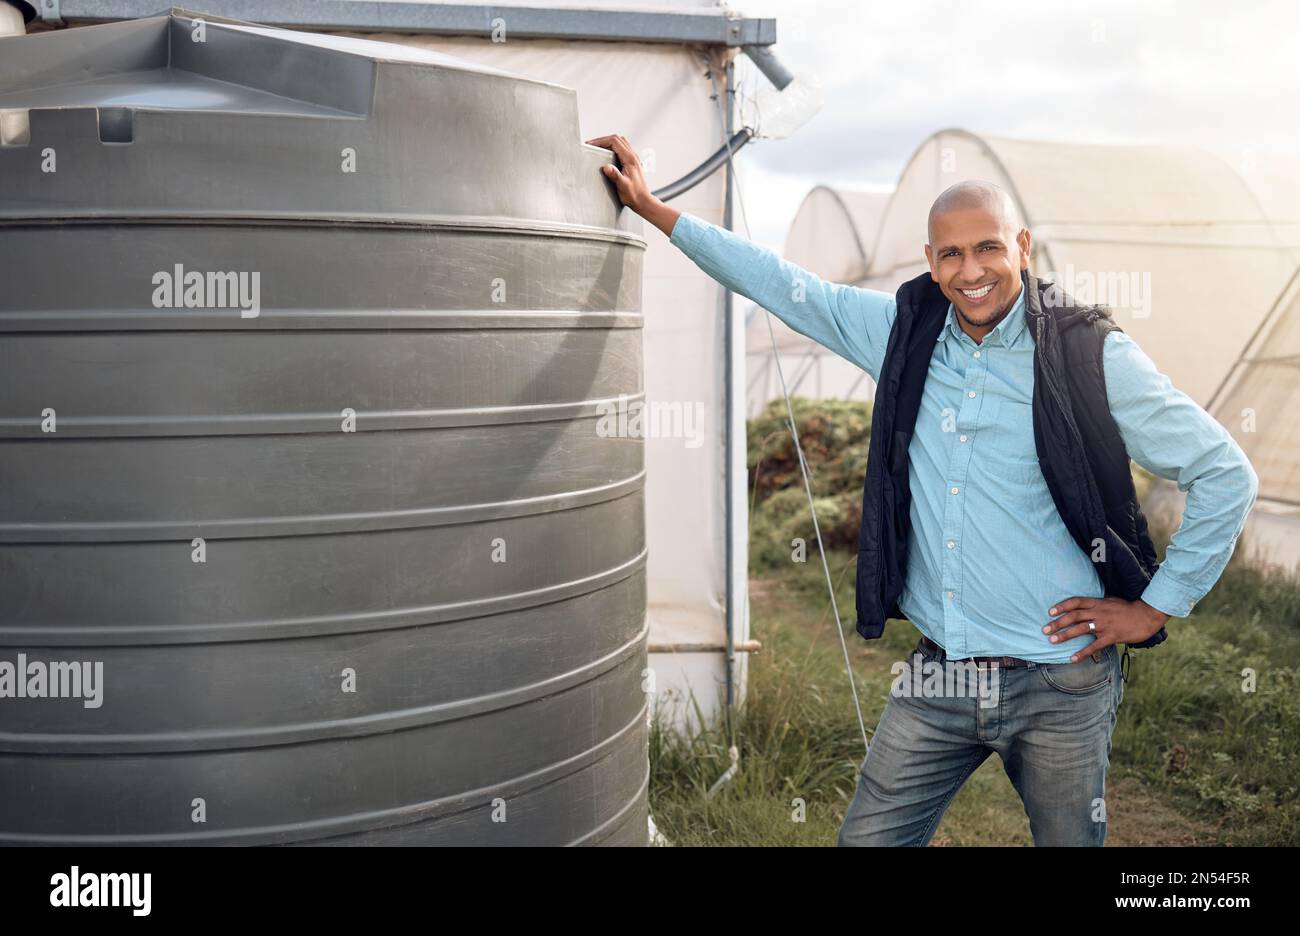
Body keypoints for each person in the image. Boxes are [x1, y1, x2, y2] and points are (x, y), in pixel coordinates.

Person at [585, 134, 1260, 846]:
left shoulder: (1089, 354)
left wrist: (1153, 609)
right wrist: (658, 211)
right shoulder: (902, 335)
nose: (972, 271)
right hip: (938, 680)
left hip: (1060, 684)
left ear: (1022, 247)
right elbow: (785, 285)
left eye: (988, 248)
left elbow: (1225, 474)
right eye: (952, 254)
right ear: (932, 265)